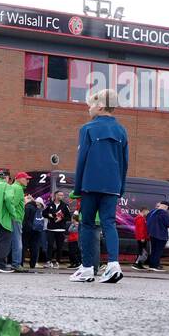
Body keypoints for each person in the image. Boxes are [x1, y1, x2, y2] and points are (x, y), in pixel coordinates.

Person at [69, 89, 128, 284]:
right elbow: (124, 162)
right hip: (112, 185)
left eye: (91, 105)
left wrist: (77, 189)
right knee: (109, 223)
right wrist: (120, 188)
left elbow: (82, 160)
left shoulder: (87, 129)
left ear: (101, 106)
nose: (89, 108)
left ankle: (87, 268)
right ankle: (113, 265)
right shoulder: (122, 131)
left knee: (86, 224)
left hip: (90, 183)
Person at [46, 191, 72, 267]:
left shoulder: (65, 206)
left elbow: (69, 217)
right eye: (60, 195)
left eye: (62, 195)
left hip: (61, 229)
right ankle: (48, 261)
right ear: (55, 195)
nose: (61, 196)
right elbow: (44, 213)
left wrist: (61, 218)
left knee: (59, 246)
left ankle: (57, 261)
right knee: (50, 245)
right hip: (51, 228)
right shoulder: (49, 204)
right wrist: (49, 215)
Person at [145, 200, 169, 271]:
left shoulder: (152, 212)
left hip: (152, 234)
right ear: (165, 207)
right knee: (158, 251)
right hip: (161, 235)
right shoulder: (164, 214)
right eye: (167, 208)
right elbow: (168, 224)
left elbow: (147, 220)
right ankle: (155, 266)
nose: (167, 209)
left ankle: (151, 265)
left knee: (153, 250)